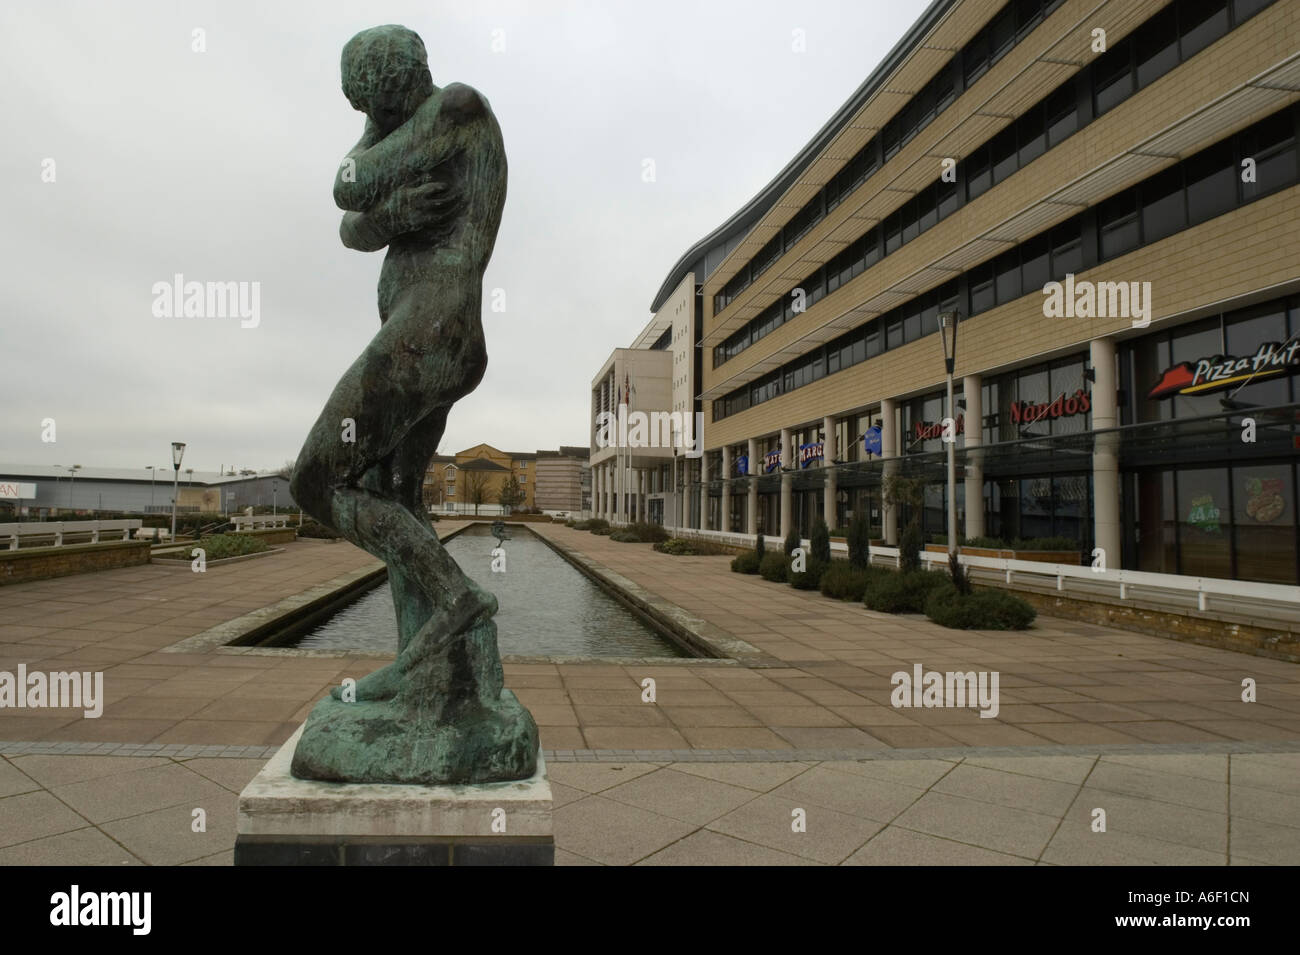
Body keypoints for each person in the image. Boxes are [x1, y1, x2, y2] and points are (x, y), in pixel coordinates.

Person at [290, 25, 507, 701]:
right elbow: (355, 227)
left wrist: (376, 204)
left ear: (396, 87)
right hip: (429, 334)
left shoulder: (456, 109)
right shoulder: (413, 131)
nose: (367, 123)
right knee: (394, 496)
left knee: (315, 480)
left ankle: (453, 598)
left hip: (429, 333)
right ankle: (430, 667)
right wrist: (392, 218)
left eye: (372, 108)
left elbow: (347, 187)